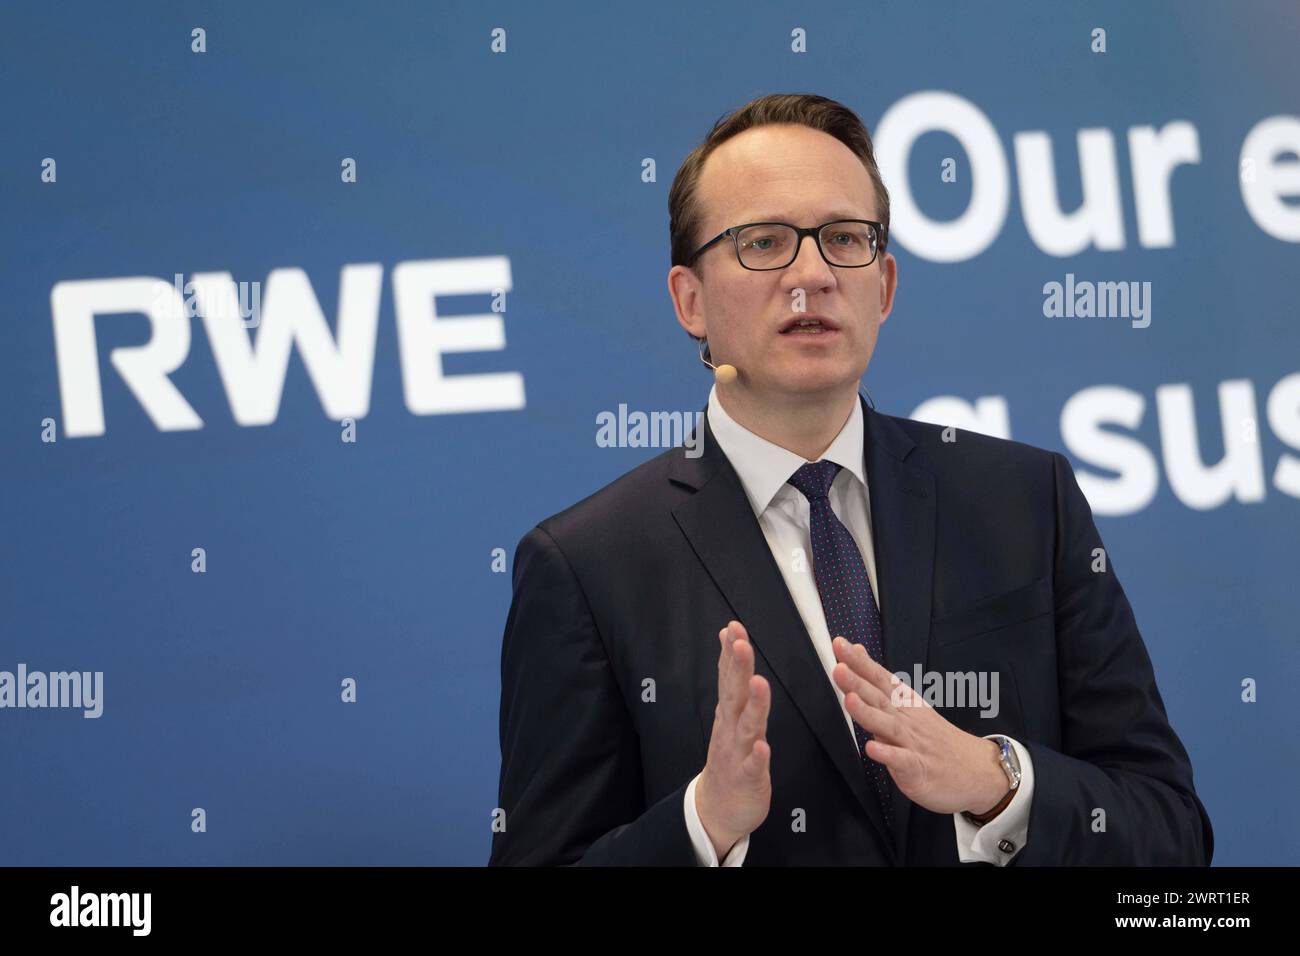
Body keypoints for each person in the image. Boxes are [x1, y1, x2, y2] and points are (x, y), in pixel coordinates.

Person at [488, 93, 1213, 866]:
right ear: (689, 300)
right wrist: (703, 825)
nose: (812, 274)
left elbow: (1169, 833)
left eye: (844, 239)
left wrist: (996, 783)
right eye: (763, 242)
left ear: (885, 286)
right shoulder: (588, 565)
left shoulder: (1028, 501)